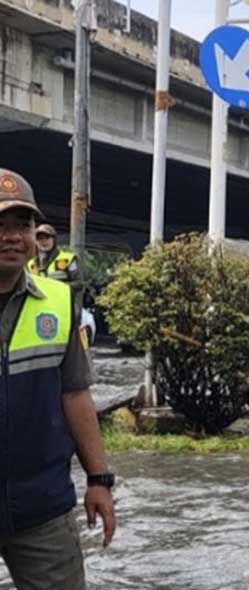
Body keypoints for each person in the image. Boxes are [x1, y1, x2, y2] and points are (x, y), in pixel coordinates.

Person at [0, 169, 116, 589]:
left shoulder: (58, 301)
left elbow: (75, 395)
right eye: (0, 225)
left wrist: (99, 480)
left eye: (22, 225)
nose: (12, 237)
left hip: (42, 506)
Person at [28, 223, 83, 293]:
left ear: (54, 239)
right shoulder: (31, 264)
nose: (43, 241)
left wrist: (56, 287)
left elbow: (79, 284)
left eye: (47, 237)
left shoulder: (69, 259)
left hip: (61, 299)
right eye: (39, 238)